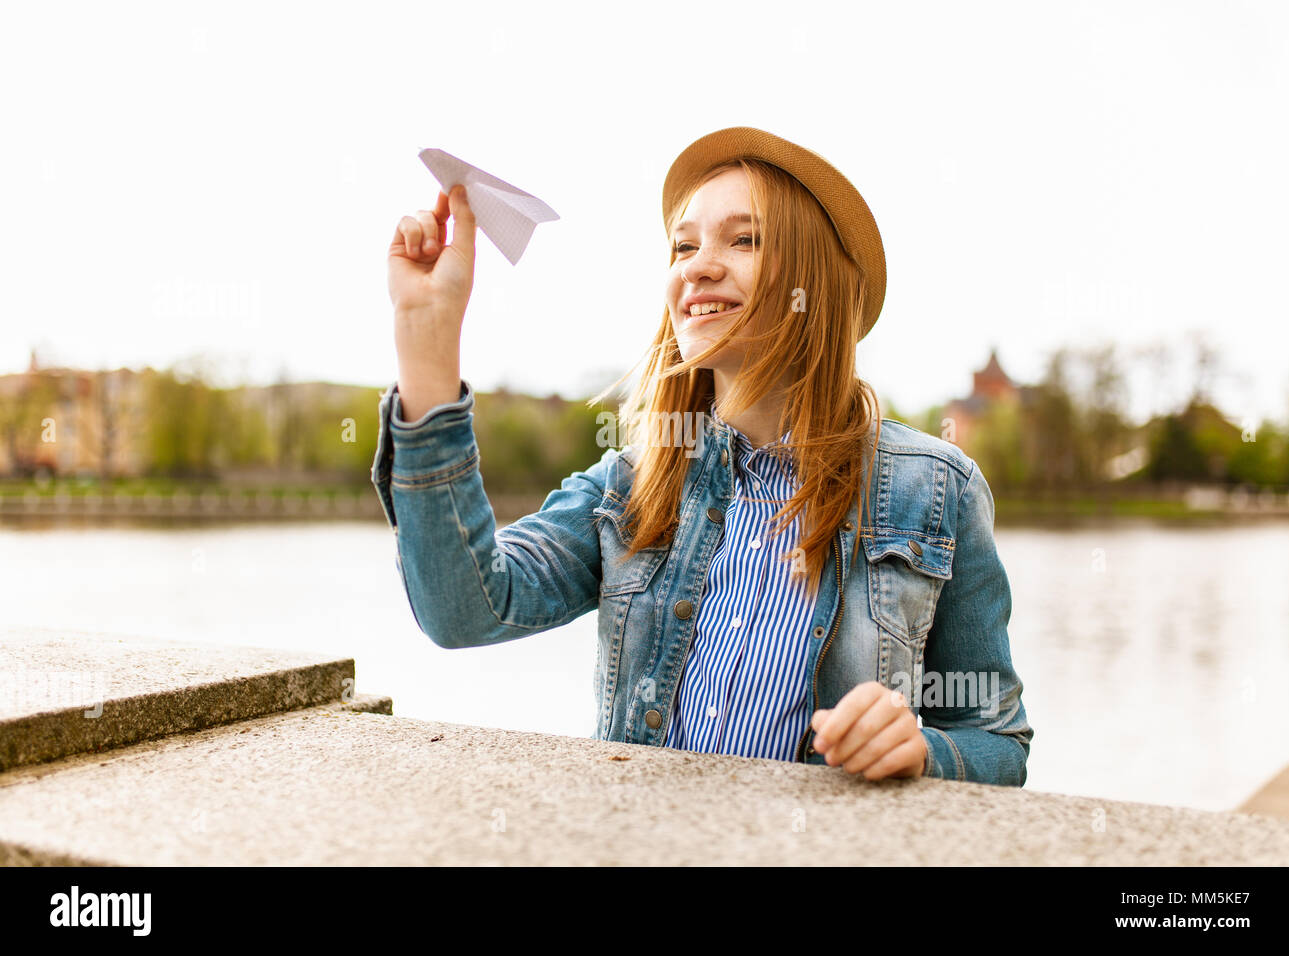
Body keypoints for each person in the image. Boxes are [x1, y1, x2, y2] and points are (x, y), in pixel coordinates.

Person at [372, 127, 1033, 786]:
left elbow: (997, 744)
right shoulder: (630, 484)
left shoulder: (936, 490)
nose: (696, 265)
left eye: (745, 239)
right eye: (684, 246)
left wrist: (920, 751)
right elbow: (464, 610)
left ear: (817, 282)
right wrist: (425, 347)